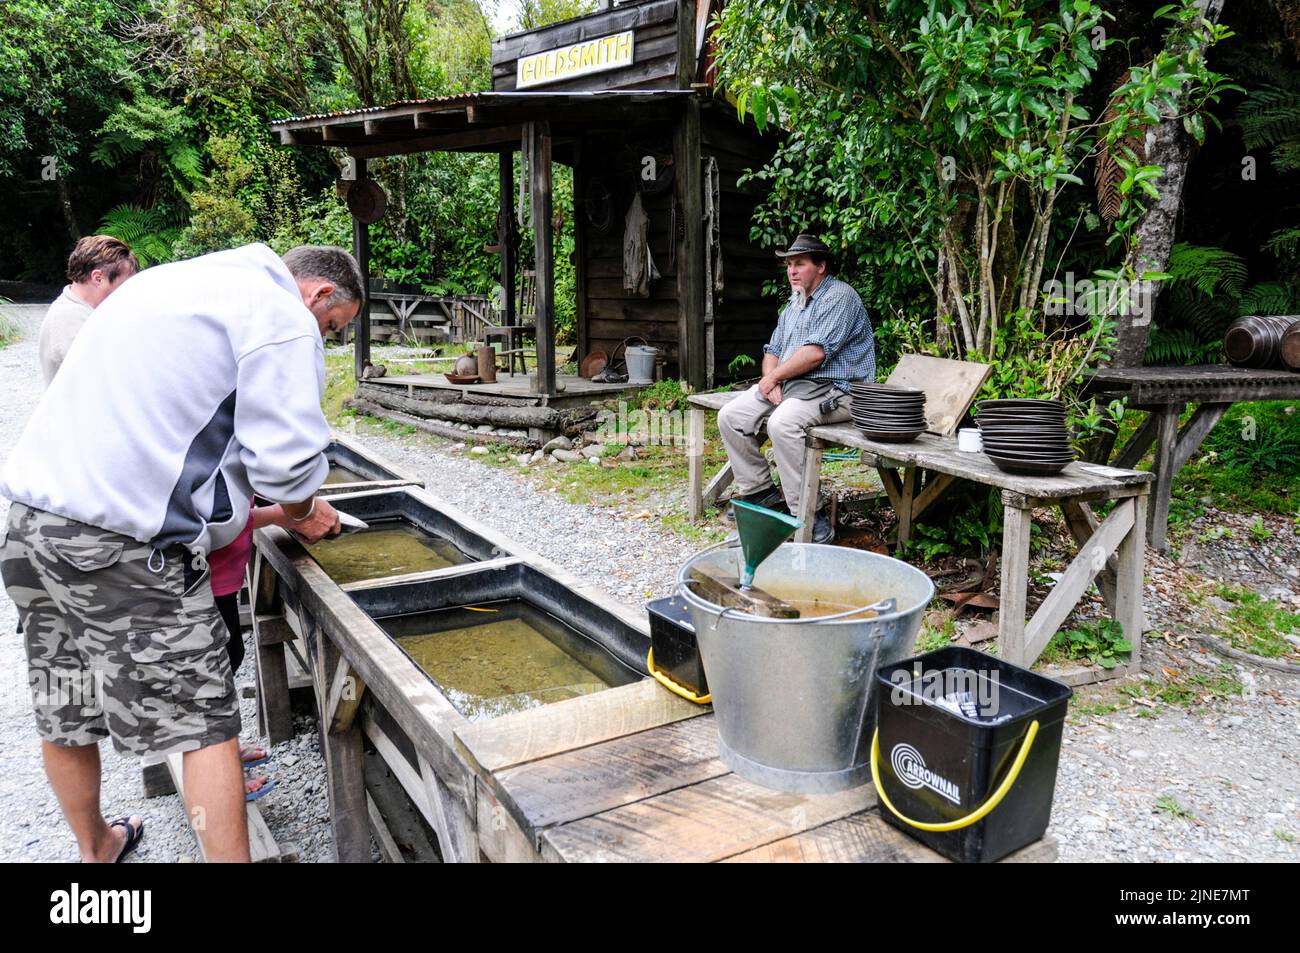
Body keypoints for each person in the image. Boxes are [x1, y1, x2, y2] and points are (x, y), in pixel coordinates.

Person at [0, 243, 360, 862]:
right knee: (203, 724)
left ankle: (97, 848)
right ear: (319, 295)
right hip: (120, 543)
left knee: (65, 698)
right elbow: (285, 466)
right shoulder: (278, 315)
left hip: (32, 525)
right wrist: (307, 511)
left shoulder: (173, 282)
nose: (325, 336)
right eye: (333, 327)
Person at [717, 234, 876, 544]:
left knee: (782, 423)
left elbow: (816, 352)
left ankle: (808, 514)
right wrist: (771, 379)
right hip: (793, 386)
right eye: (789, 265)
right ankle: (760, 493)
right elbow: (773, 349)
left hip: (837, 391)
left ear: (821, 267)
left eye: (799, 264)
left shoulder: (839, 297)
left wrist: (773, 378)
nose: (792, 271)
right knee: (731, 416)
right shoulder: (795, 301)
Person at [38, 235, 139, 385]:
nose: (128, 293)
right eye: (124, 285)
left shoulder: (89, 312)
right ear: (98, 278)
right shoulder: (69, 319)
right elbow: (107, 381)